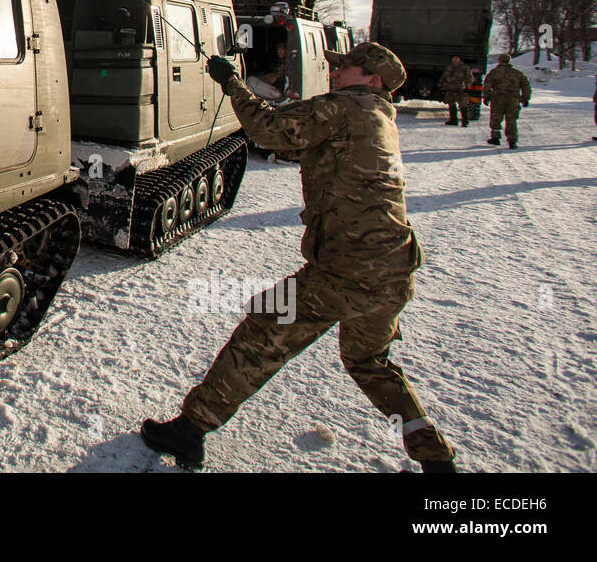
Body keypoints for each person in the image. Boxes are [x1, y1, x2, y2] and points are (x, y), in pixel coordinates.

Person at [141, 42, 457, 472]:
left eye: (348, 67)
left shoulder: (347, 106)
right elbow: (302, 144)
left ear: (374, 78)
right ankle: (435, 458)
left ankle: (191, 428)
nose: (338, 71)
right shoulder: (379, 114)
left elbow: (269, 130)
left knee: (261, 335)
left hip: (347, 271)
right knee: (369, 363)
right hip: (393, 269)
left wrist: (231, 82)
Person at [482, 53, 531, 148]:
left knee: (496, 118)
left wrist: (486, 96)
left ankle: (495, 138)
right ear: (509, 61)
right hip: (513, 99)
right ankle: (512, 141)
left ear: (499, 61)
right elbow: (526, 86)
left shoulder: (494, 72)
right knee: (511, 119)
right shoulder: (517, 73)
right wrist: (525, 98)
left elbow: (487, 85)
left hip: (497, 99)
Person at [437, 56, 473, 126]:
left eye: (456, 58)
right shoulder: (449, 67)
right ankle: (453, 120)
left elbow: (469, 78)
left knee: (463, 105)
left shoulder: (464, 68)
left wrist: (467, 87)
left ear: (459, 59)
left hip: (460, 89)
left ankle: (465, 121)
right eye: (453, 59)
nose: (454, 60)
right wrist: (440, 84)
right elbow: (444, 76)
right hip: (450, 88)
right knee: (451, 104)